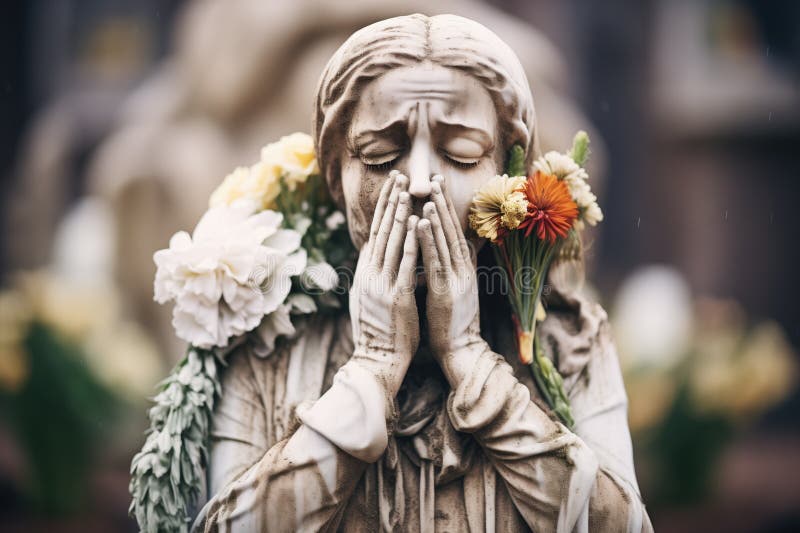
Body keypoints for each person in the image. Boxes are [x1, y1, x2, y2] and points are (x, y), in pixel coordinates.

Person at [194, 14, 651, 532]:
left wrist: (470, 361)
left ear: (511, 176)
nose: (417, 181)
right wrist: (372, 373)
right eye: (379, 154)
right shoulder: (268, 341)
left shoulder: (570, 341)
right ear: (334, 177)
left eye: (461, 153)